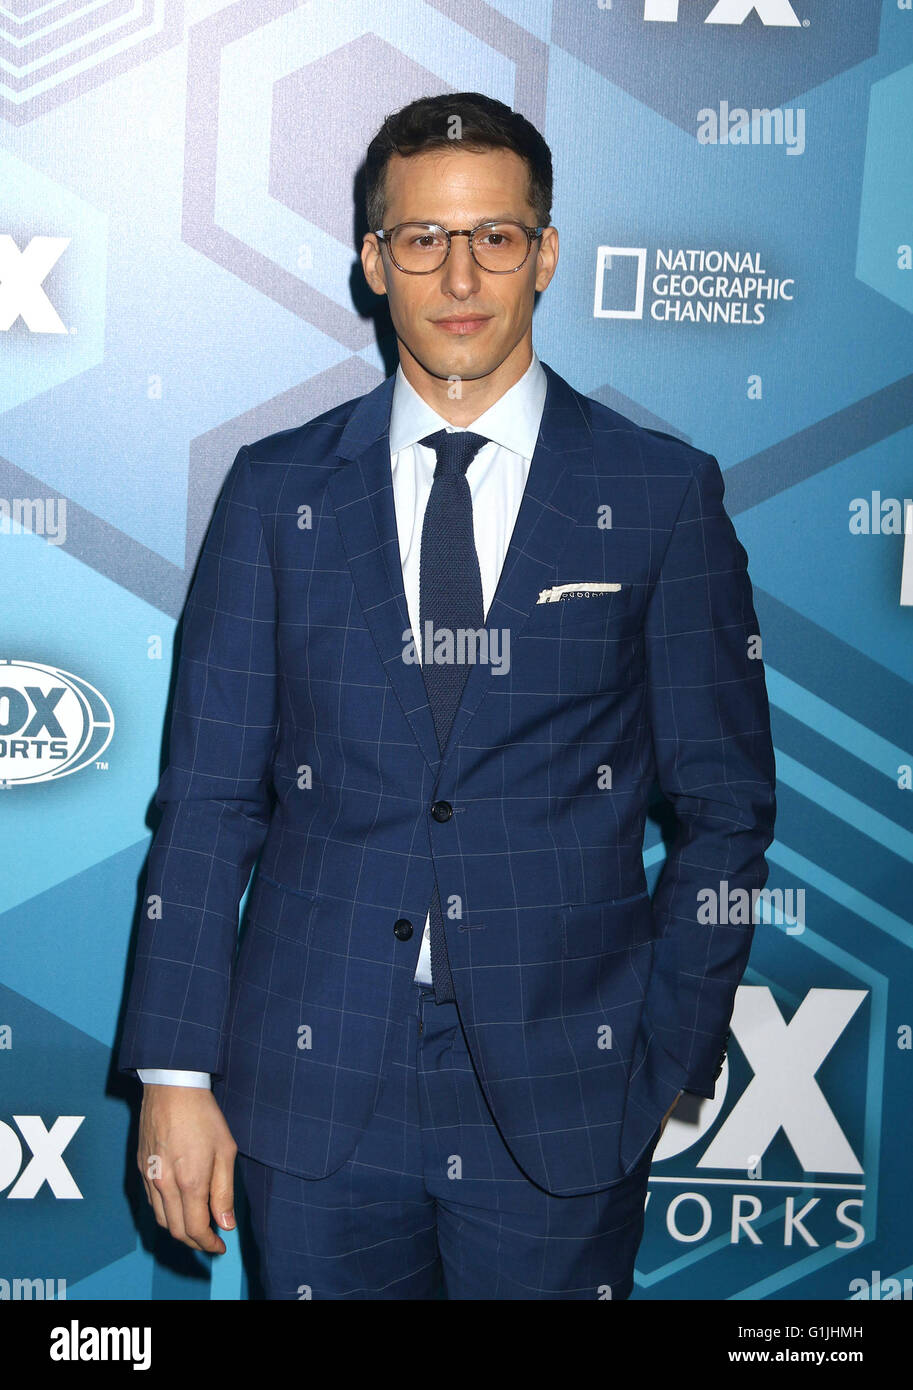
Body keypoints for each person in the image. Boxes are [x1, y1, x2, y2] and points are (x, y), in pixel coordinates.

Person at [118, 91, 776, 1300]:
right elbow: (208, 799)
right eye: (423, 238)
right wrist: (174, 1072)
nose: (460, 275)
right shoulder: (275, 493)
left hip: (566, 1084)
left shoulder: (658, 494)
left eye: (495, 236)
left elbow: (726, 805)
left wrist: (666, 1047)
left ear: (547, 254)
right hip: (312, 1085)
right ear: (374, 262)